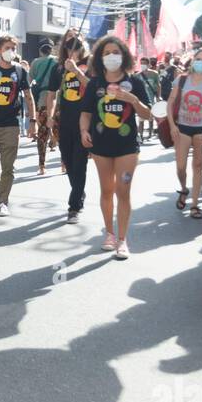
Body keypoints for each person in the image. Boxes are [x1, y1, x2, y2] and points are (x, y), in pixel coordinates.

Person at [80, 36, 151, 260]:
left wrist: (132, 99)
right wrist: (84, 131)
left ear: (124, 55)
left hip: (127, 147)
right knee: (107, 190)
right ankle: (109, 235)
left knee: (123, 191)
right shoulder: (95, 84)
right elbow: (86, 113)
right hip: (101, 147)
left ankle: (122, 239)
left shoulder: (135, 82)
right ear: (100, 57)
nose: (112, 56)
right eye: (107, 53)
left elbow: (148, 114)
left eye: (116, 52)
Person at [0, 33, 35, 217]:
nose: (11, 51)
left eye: (13, 48)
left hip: (11, 126)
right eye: (7, 48)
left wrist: (33, 121)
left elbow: (29, 96)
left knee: (8, 168)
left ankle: (3, 202)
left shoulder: (20, 71)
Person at [168, 48, 202, 220]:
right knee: (180, 166)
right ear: (193, 60)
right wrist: (172, 126)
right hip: (183, 127)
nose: (201, 62)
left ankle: (195, 204)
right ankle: (184, 188)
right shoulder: (181, 80)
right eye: (198, 59)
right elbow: (170, 102)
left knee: (198, 166)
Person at [49, 33, 91, 223]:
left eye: (77, 45)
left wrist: (76, 71)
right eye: (69, 46)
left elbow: (94, 88)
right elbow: (52, 94)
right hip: (64, 122)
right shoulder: (58, 68)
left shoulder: (91, 65)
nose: (73, 50)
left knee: (80, 163)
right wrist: (50, 116)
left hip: (84, 123)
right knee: (68, 162)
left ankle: (74, 206)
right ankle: (79, 191)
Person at [29, 40, 59, 175]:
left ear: (41, 51)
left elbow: (30, 81)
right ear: (51, 50)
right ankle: (64, 164)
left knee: (42, 135)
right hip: (58, 102)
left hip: (42, 101)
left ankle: (42, 166)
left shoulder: (35, 62)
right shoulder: (58, 61)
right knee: (61, 132)